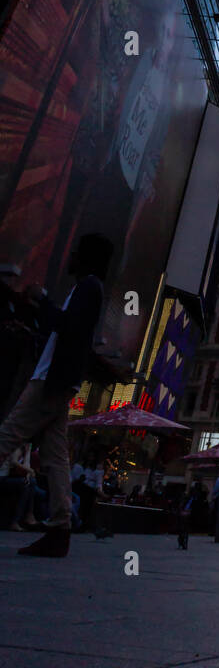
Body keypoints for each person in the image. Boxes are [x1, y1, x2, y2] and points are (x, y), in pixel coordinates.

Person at [0, 233, 114, 557]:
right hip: (57, 379)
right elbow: (61, 328)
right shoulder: (86, 289)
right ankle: (60, 528)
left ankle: (60, 528)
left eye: (77, 252)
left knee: (7, 435)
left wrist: (42, 298)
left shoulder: (89, 287)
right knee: (55, 457)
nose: (71, 256)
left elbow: (68, 327)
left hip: (51, 381)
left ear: (88, 258)